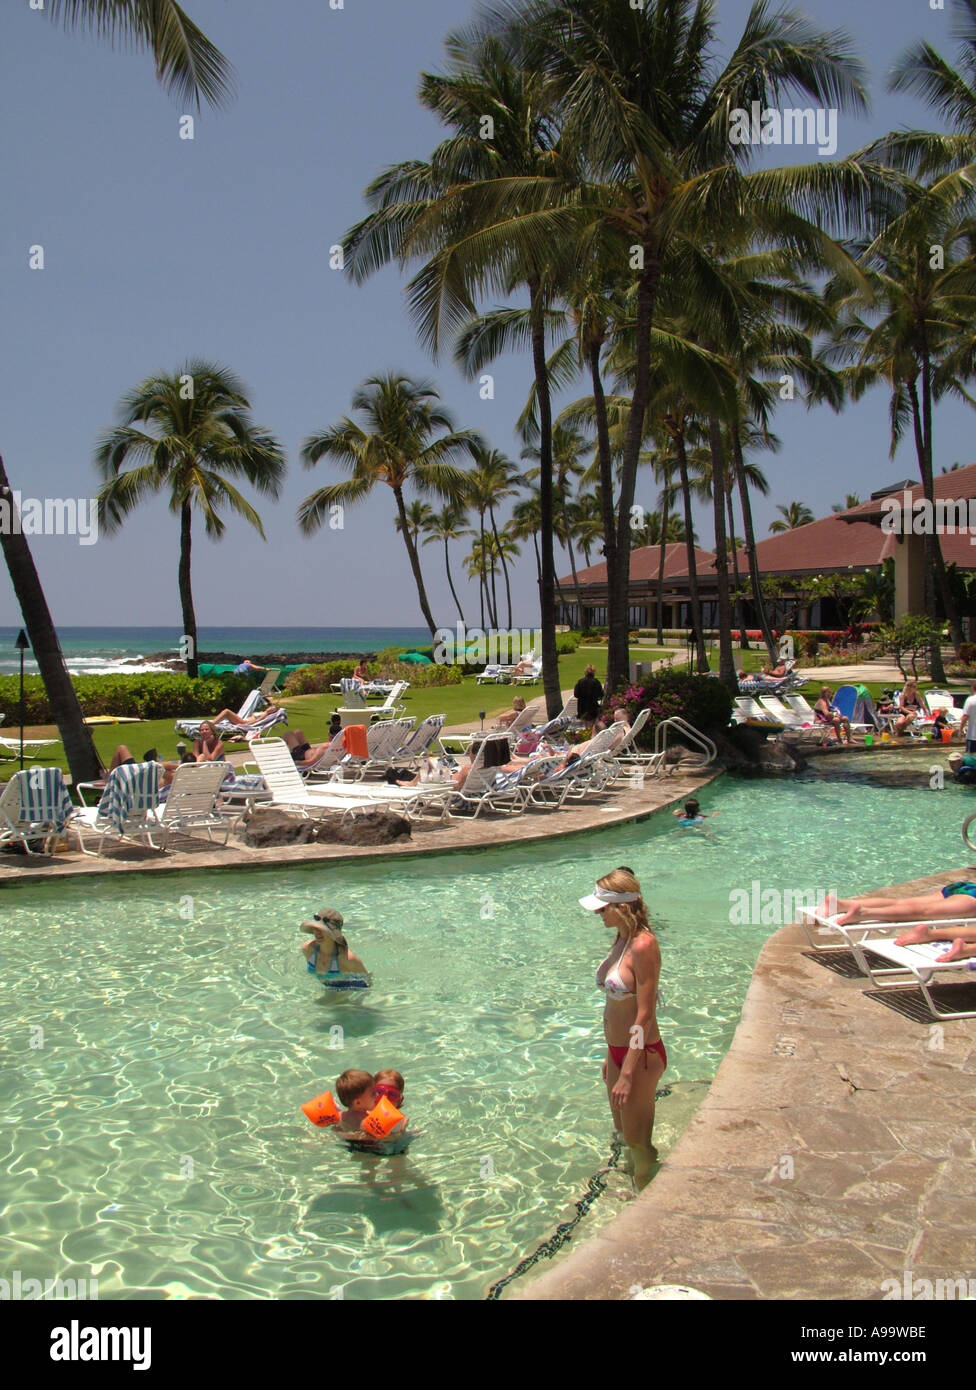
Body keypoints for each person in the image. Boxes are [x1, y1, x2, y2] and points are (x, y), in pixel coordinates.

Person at [580, 868, 665, 1191]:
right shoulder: (622, 938)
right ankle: (633, 1186)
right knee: (624, 1135)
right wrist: (610, 1055)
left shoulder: (644, 946)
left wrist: (628, 1072)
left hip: (639, 1056)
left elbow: (644, 1015)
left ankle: (647, 1200)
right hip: (618, 1053)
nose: (599, 915)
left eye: (603, 909)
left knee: (640, 1142)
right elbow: (615, 1010)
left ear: (622, 907)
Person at [825, 884, 976, 928]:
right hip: (972, 898)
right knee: (923, 912)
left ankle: (841, 905)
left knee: (903, 903)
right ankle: (864, 913)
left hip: (966, 887)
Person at [302, 909, 371, 989]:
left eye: (322, 929)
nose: (318, 932)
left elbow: (368, 982)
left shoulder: (347, 959)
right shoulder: (307, 949)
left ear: (333, 934)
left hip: (347, 988)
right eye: (316, 927)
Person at [209, 702, 282, 729]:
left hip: (244, 723)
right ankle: (212, 723)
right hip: (243, 721)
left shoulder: (265, 714)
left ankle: (211, 724)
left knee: (226, 711)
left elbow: (257, 721)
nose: (270, 708)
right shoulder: (264, 712)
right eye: (271, 707)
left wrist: (246, 725)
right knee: (226, 713)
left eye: (273, 709)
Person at [963, 680, 976, 755]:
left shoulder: (970, 700)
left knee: (970, 758)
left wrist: (960, 729)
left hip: (973, 736)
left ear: (972, 688)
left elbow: (965, 716)